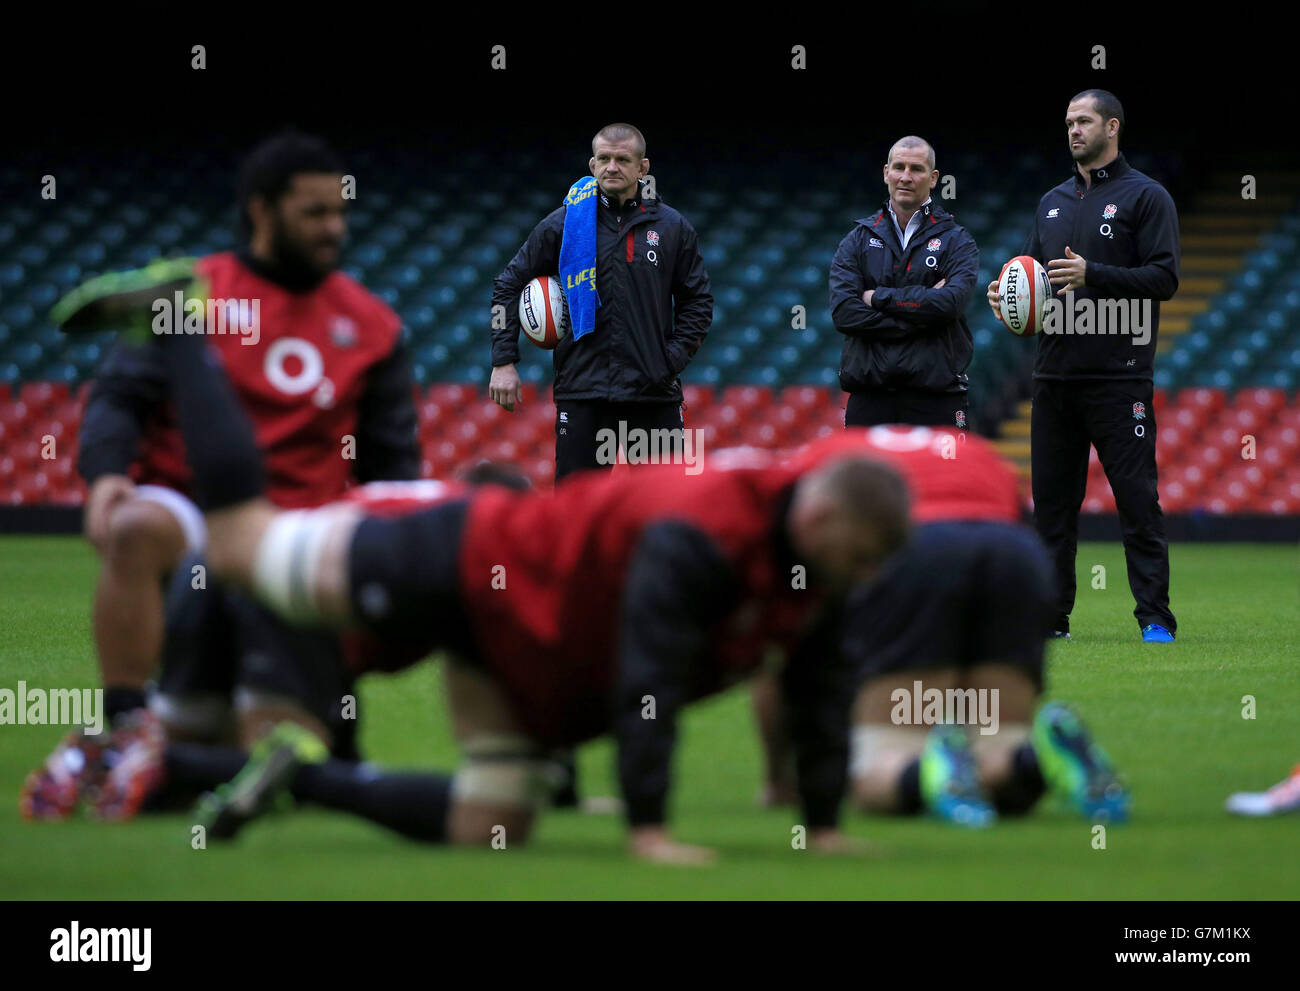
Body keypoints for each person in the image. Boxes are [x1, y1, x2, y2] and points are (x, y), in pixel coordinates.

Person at [59, 286, 912, 864]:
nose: (866, 578)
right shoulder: (705, 529)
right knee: (239, 542)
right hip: (468, 553)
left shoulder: (821, 561)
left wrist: (825, 826)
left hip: (520, 634)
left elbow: (820, 680)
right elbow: (645, 670)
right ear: (826, 519)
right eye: (865, 556)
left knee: (492, 824)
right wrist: (648, 828)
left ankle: (270, 774)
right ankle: (177, 328)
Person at [21, 132, 421, 820]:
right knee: (136, 525)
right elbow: (120, 395)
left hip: (298, 532)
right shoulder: (188, 296)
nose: (335, 229)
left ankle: (190, 751)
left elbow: (392, 461)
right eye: (315, 213)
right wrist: (108, 476)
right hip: (189, 511)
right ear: (262, 211)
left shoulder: (374, 325)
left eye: (339, 213)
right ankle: (123, 727)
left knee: (261, 752)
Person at [755, 426, 1132, 827]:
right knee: (997, 743)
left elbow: (778, 662)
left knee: (882, 763)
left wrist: (780, 780)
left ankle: (926, 768)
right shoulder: (968, 448)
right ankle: (1037, 758)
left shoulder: (821, 459)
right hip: (1014, 552)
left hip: (919, 545)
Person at [987, 89, 1179, 643]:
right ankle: (1051, 619)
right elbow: (1031, 275)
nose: (1073, 130)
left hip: (1119, 377)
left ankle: (1155, 620)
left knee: (1137, 501)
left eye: (1084, 121)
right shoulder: (1051, 201)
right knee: (1051, 508)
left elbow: (1164, 279)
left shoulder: (1148, 197)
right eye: (1068, 122)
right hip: (1053, 378)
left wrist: (1095, 274)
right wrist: (1007, 296)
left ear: (1112, 127)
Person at [488, 122, 713, 480]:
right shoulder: (562, 224)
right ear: (592, 166)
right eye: (603, 158)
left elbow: (698, 302)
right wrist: (503, 361)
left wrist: (668, 361)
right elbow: (507, 285)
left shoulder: (672, 228)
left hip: (652, 394)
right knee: (577, 515)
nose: (612, 167)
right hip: (582, 393)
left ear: (643, 168)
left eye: (623, 160)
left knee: (660, 509)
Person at [829, 136, 979, 430]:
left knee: (941, 479)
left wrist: (877, 298)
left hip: (937, 398)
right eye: (899, 167)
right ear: (886, 173)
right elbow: (845, 313)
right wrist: (924, 315)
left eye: (917, 169)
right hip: (869, 398)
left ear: (934, 178)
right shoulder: (856, 240)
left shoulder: (957, 240)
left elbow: (950, 304)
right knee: (864, 479)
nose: (906, 177)